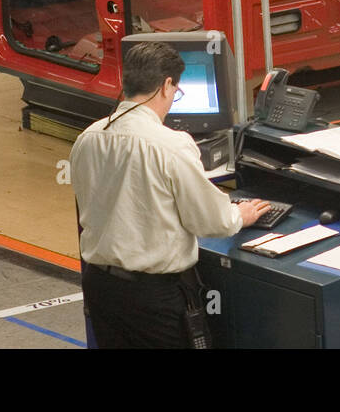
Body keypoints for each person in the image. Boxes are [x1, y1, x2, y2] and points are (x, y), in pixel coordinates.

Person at [70, 41, 270, 348]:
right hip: (153, 297)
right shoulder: (170, 145)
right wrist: (238, 214)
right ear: (166, 86)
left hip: (101, 287)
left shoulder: (88, 138)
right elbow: (210, 221)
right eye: (176, 91)